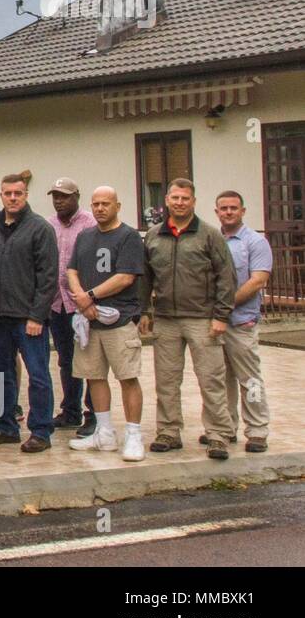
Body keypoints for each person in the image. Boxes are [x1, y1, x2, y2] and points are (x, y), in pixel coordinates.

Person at [139, 179, 237, 459]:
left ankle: (218, 434)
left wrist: (221, 315)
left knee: (211, 379)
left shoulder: (209, 235)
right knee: (166, 380)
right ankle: (169, 431)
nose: (180, 203)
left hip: (204, 319)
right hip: (166, 318)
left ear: (193, 201)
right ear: (167, 201)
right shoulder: (155, 235)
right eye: (175, 198)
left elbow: (226, 277)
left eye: (185, 198)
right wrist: (145, 311)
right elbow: (145, 278)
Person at [0, 174, 59, 454]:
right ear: (1, 195)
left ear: (26, 195)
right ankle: (6, 426)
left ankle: (41, 430)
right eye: (8, 193)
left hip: (27, 318)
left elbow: (47, 277)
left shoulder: (40, 229)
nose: (12, 198)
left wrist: (37, 316)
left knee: (38, 375)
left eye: (18, 193)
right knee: (1, 374)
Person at [66, 186, 147, 461]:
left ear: (117, 205)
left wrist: (90, 297)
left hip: (119, 319)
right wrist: (82, 300)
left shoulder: (129, 236)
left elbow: (126, 277)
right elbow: (71, 270)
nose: (100, 208)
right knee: (95, 377)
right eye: (96, 203)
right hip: (89, 322)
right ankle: (104, 432)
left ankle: (134, 435)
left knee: (127, 377)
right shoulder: (85, 236)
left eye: (106, 203)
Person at [214, 190, 272, 453]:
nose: (228, 212)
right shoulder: (213, 240)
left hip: (241, 323)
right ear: (217, 212)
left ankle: (258, 430)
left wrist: (225, 307)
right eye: (223, 208)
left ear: (243, 211)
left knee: (250, 380)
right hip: (216, 324)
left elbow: (258, 280)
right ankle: (226, 429)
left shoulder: (255, 242)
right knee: (221, 380)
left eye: (233, 208)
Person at [47, 177, 98, 438]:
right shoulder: (49, 225)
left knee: (89, 361)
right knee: (66, 361)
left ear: (77, 196)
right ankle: (70, 411)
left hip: (83, 304)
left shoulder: (90, 224)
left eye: (64, 196)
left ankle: (93, 414)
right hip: (57, 304)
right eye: (55, 196)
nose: (59, 200)